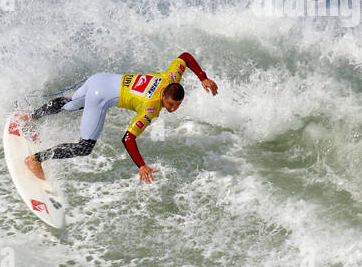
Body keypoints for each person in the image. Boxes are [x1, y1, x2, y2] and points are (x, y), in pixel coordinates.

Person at [21, 52, 218, 183]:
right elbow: (128, 138)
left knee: (71, 103)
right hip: (100, 96)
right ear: (164, 96)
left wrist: (203, 77)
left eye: (176, 106)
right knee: (84, 147)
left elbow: (184, 57)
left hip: (100, 78)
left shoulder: (170, 78)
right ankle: (36, 159)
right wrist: (141, 166)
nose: (172, 109)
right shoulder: (150, 108)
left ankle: (30, 117)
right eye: (170, 104)